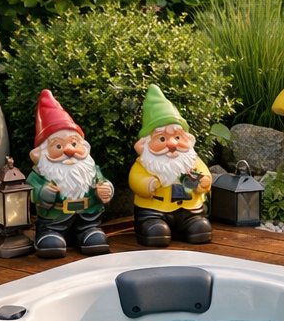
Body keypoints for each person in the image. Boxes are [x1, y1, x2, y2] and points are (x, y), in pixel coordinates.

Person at [28, 90, 114, 257]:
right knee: (51, 242)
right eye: (58, 146)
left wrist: (106, 190)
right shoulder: (41, 173)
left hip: (88, 218)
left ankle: (90, 234)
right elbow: (32, 190)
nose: (69, 150)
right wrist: (43, 192)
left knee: (95, 238)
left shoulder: (90, 169)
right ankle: (49, 236)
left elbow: (102, 181)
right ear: (41, 153)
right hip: (54, 220)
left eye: (74, 143)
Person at [129, 84, 212, 247]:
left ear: (187, 139)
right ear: (144, 144)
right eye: (162, 139)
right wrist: (147, 184)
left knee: (200, 227)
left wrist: (204, 182)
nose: (172, 144)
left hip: (190, 209)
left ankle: (193, 225)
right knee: (156, 231)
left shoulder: (192, 159)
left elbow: (205, 174)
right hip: (154, 211)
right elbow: (135, 179)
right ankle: (153, 228)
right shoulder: (144, 163)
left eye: (178, 138)